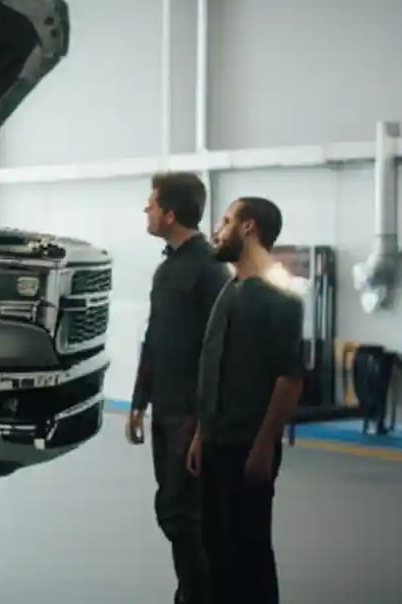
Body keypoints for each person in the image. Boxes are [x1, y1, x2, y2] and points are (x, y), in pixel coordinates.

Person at [186, 196, 306, 604]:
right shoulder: (228, 289)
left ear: (248, 227)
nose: (217, 230)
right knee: (214, 549)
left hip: (246, 445)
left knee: (250, 552)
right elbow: (213, 365)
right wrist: (202, 434)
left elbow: (289, 378)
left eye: (225, 221)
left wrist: (262, 448)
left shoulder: (279, 297)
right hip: (216, 441)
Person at [128, 172, 231, 604]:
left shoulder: (210, 269)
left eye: (151, 204)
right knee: (172, 510)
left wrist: (204, 425)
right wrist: (138, 402)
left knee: (185, 514)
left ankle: (197, 596)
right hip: (164, 411)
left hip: (191, 414)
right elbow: (154, 340)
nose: (145, 211)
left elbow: (219, 353)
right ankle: (191, 592)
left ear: (170, 214)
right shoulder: (166, 268)